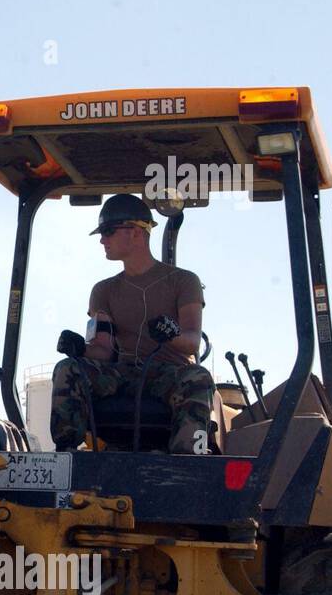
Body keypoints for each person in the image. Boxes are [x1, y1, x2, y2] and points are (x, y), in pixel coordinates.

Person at [50, 194, 215, 454]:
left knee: (199, 378)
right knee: (68, 369)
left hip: (169, 373)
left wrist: (171, 334)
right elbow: (103, 351)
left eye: (108, 231)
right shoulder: (103, 290)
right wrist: (80, 349)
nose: (102, 240)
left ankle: (189, 460)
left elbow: (192, 342)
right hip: (123, 373)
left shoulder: (183, 281)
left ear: (137, 232)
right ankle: (68, 455)